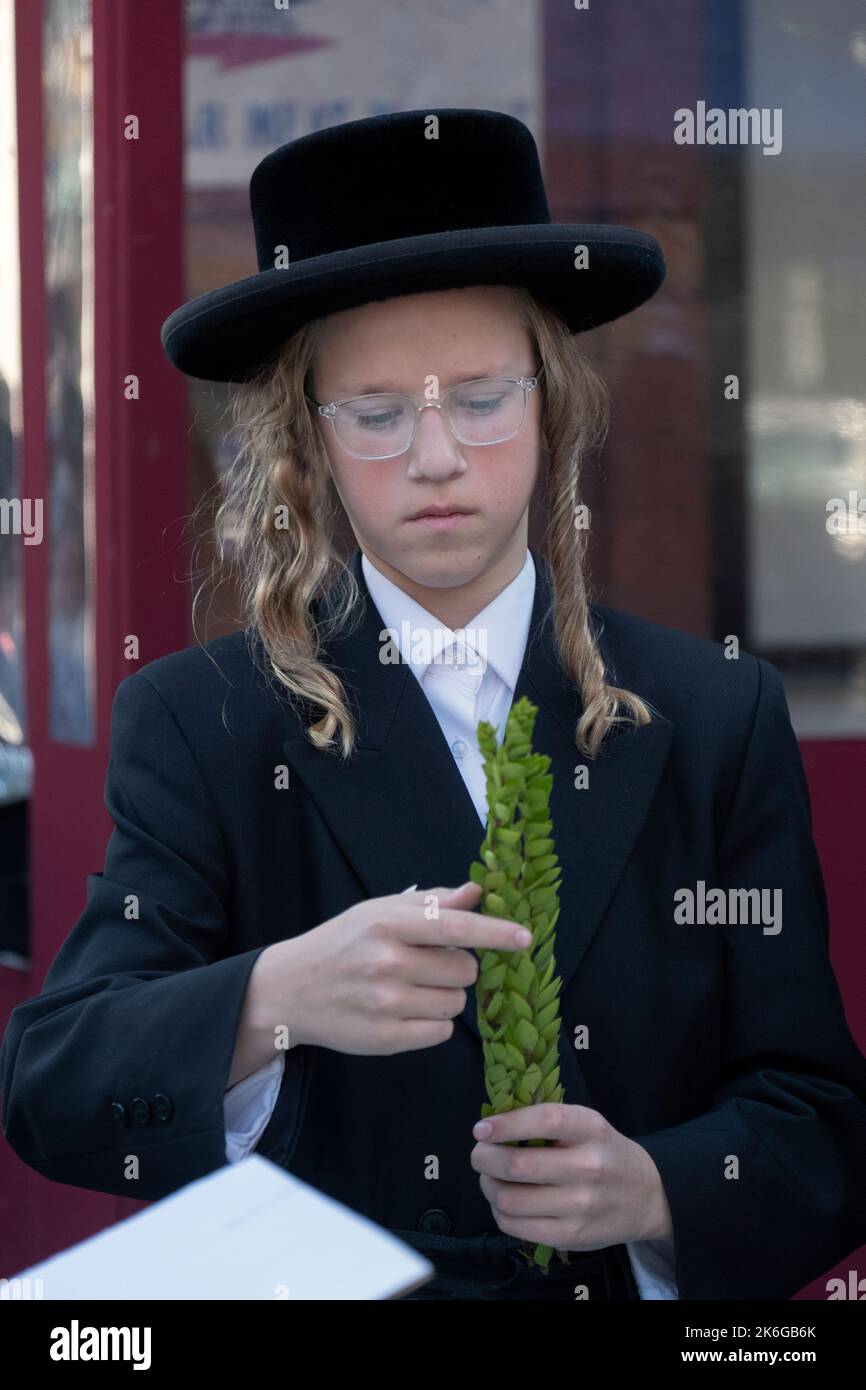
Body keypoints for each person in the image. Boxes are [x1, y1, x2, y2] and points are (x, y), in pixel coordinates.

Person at [2, 109, 866, 1302]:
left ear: (552, 404)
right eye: (375, 414)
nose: (436, 457)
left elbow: (816, 1113)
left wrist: (657, 1189)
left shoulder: (714, 715)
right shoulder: (205, 724)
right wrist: (273, 1000)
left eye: (478, 397)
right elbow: (56, 1086)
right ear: (304, 444)